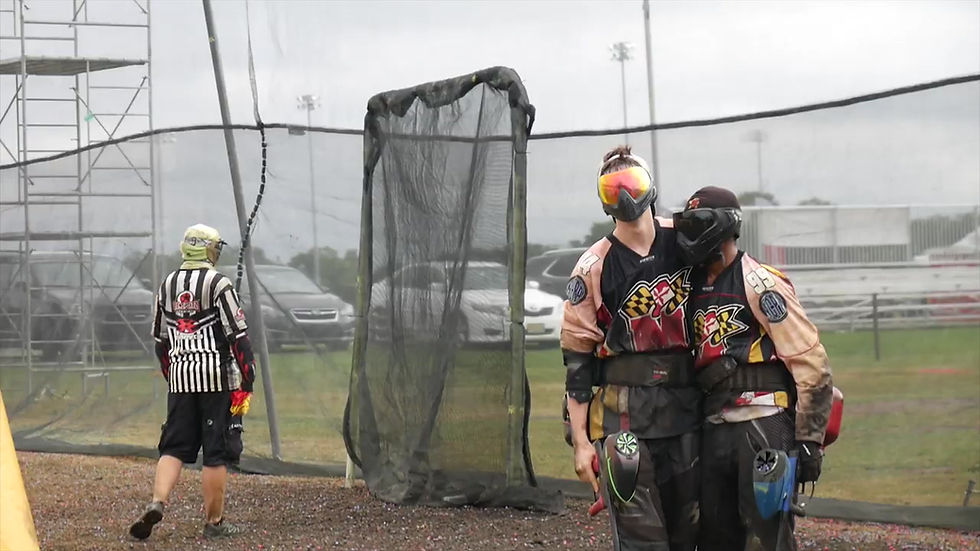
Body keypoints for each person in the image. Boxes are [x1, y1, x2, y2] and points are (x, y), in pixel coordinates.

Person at [672, 187, 834, 551]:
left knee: (768, 536)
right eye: (687, 224)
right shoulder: (690, 286)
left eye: (698, 224)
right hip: (713, 426)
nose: (689, 234)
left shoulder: (761, 283)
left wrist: (810, 440)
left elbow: (810, 360)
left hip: (764, 423)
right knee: (714, 536)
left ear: (724, 225)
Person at [561, 146, 700, 551]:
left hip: (689, 411)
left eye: (632, 184)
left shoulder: (688, 241)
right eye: (612, 189)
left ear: (650, 186)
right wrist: (581, 442)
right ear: (603, 201)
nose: (624, 196)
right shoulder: (593, 266)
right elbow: (577, 362)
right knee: (642, 540)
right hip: (624, 420)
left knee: (694, 533)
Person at [129, 223, 255, 540]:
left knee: (173, 447)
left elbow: (160, 341)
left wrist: (172, 376)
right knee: (216, 454)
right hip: (218, 380)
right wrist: (248, 378)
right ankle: (214, 523)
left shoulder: (167, 285)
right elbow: (238, 337)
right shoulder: (219, 283)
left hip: (181, 380)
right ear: (207, 249)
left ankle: (157, 501)